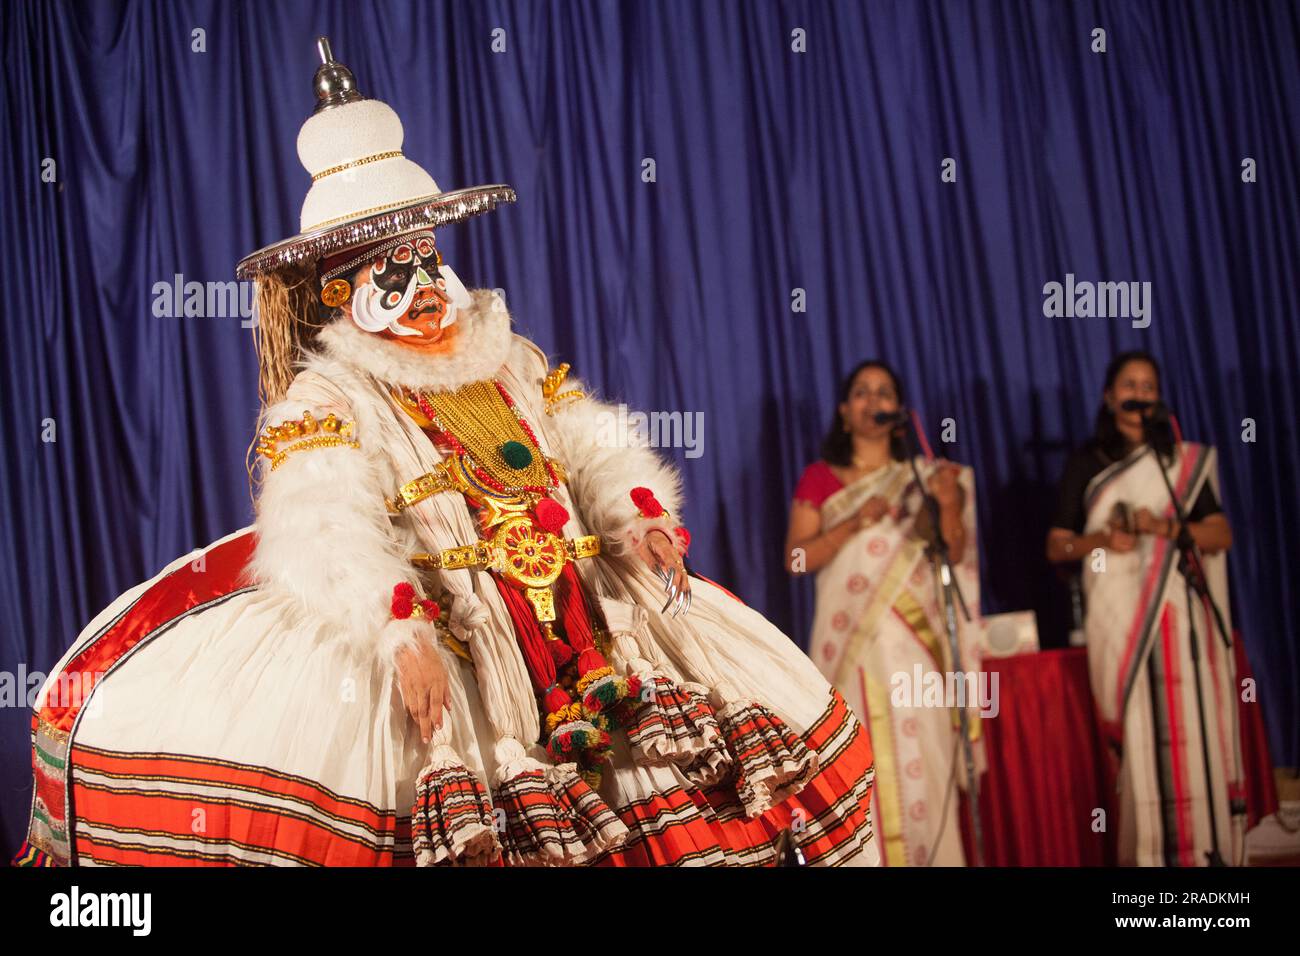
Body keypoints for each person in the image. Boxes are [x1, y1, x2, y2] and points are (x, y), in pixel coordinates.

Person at [13, 39, 878, 868]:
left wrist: (638, 514)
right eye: (392, 274)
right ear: (344, 293)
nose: (423, 289)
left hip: (592, 625)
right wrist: (400, 632)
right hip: (467, 644)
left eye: (427, 260)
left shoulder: (511, 359)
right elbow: (322, 525)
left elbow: (591, 445)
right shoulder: (327, 399)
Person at [1046, 349, 1244, 866]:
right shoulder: (1088, 464)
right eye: (1129, 385)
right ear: (1111, 397)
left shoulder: (1180, 461)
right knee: (1139, 744)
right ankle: (1151, 859)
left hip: (1182, 625)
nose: (1140, 394)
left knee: (1191, 735)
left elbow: (1220, 533)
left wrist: (1167, 528)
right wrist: (1100, 539)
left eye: (1149, 386)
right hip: (1122, 623)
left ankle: (1208, 853)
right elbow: (1057, 547)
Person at [787, 359, 982, 866]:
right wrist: (852, 522)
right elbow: (796, 558)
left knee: (928, 765)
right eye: (861, 393)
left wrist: (947, 505)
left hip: (918, 653)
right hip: (852, 654)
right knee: (859, 773)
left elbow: (955, 553)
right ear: (845, 411)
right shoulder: (821, 478)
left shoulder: (923, 478)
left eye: (884, 393)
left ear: (899, 410)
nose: (874, 401)